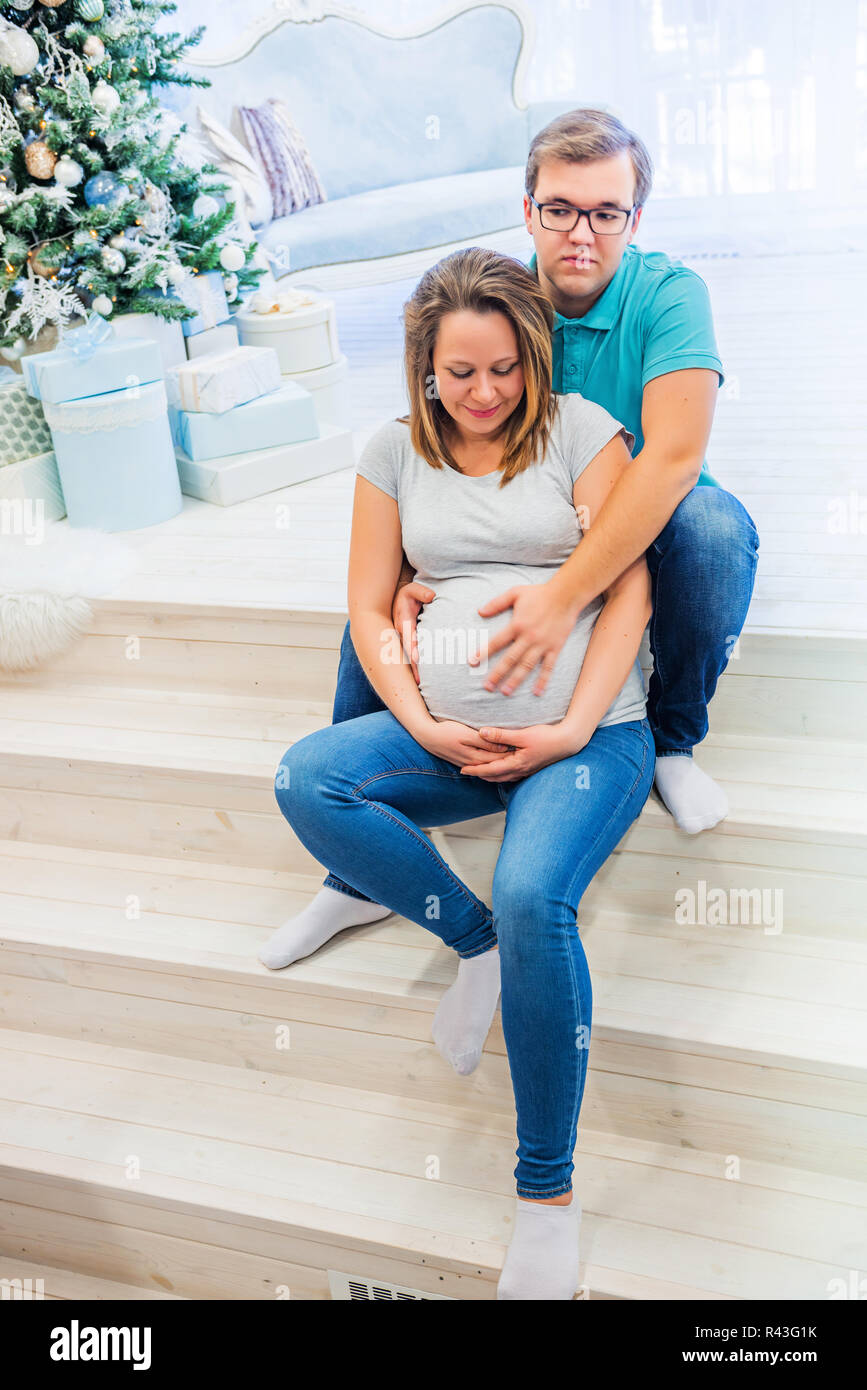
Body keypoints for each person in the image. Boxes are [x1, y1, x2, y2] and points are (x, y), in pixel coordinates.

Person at [261, 107, 760, 963]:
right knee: (376, 612)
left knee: (712, 533)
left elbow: (672, 458)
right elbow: (455, 431)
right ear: (527, 209)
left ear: (633, 220)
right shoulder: (506, 295)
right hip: (532, 531)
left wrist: (567, 592)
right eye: (560, 208)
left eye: (607, 212)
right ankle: (355, 876)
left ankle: (672, 738)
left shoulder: (668, 294)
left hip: (645, 512)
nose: (580, 233)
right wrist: (423, 573)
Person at [271, 246, 655, 1299]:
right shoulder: (390, 452)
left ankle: (545, 1197)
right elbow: (368, 607)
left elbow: (629, 597)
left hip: (588, 742)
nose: (483, 393)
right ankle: (468, 942)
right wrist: (427, 726)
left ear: (531, 358)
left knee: (538, 893)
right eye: (458, 372)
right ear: (423, 369)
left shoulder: (581, 431)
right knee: (310, 778)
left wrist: (574, 726)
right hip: (459, 740)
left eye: (503, 369)